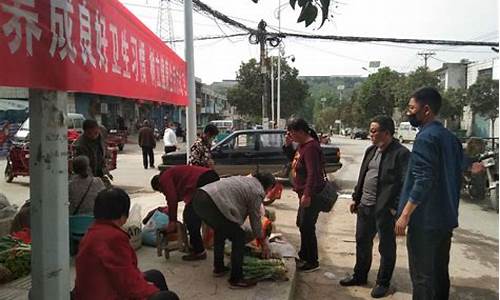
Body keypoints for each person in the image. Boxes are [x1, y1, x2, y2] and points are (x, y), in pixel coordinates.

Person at [395, 87, 484, 300]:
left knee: (422, 278)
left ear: (426, 110)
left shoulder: (425, 139)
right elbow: (463, 166)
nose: (409, 113)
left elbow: (423, 180)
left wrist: (405, 214)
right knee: (439, 274)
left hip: (425, 222)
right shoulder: (449, 137)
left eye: (411, 108)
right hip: (445, 220)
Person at [339, 116, 410, 298]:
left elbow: (406, 184)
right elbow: (364, 174)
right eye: (370, 130)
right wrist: (356, 197)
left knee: (386, 248)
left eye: (373, 131)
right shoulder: (371, 150)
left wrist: (395, 209)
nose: (370, 134)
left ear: (386, 133)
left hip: (385, 211)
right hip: (365, 207)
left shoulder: (401, 154)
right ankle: (360, 275)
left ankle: (383, 283)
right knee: (362, 242)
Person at [73, 188, 179, 300]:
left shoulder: (92, 232)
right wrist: (151, 291)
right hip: (106, 294)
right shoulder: (113, 237)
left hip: (90, 292)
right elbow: (126, 282)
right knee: (167, 297)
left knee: (155, 275)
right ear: (124, 215)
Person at [191, 173, 274, 288]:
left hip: (198, 198)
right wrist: (263, 242)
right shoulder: (257, 190)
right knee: (239, 236)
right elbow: (255, 220)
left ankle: (219, 268)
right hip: (212, 202)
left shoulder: (245, 180)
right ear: (269, 187)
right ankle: (236, 279)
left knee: (221, 230)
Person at [150, 165, 220, 261]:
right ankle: (196, 245)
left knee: (190, 217)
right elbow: (178, 195)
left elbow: (172, 198)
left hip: (203, 180)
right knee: (196, 214)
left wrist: (172, 221)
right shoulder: (171, 174)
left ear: (159, 185)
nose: (163, 193)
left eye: (161, 191)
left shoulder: (164, 178)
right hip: (209, 177)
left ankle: (199, 251)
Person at [285, 117, 325, 272]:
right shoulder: (302, 146)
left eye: (291, 133)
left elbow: (313, 174)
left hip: (311, 195)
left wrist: (307, 194)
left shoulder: (311, 148)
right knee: (302, 224)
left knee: (307, 226)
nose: (290, 136)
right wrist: (288, 146)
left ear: (300, 131)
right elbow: (295, 162)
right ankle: (304, 254)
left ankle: (312, 260)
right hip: (302, 193)